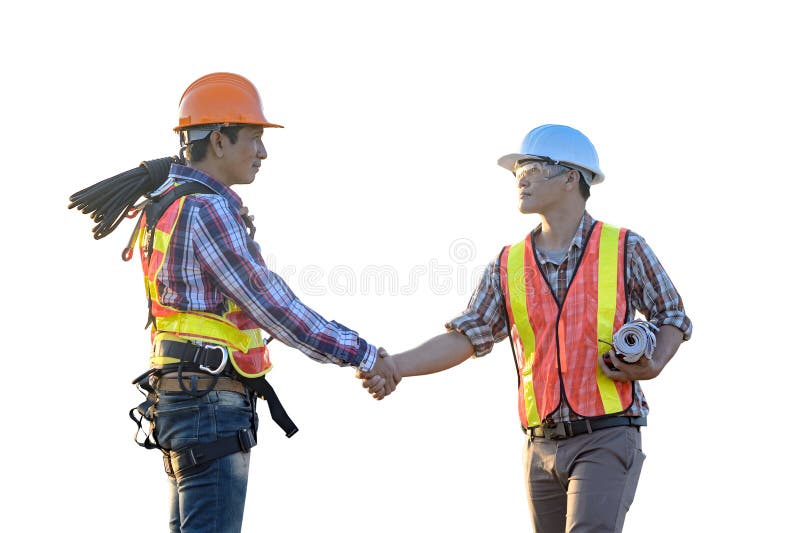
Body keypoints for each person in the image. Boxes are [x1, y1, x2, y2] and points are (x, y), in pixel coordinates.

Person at [69, 72, 400, 533]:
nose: (263, 153)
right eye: (255, 138)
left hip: (179, 401)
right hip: (209, 406)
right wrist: (363, 353)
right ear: (219, 141)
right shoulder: (207, 209)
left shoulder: (168, 202)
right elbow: (274, 307)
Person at [359, 124, 692, 532]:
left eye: (532, 168)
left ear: (572, 177)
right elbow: (468, 335)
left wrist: (654, 361)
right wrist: (394, 365)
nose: (522, 179)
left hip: (606, 433)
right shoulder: (509, 264)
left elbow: (671, 313)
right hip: (540, 444)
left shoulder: (624, 247)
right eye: (518, 171)